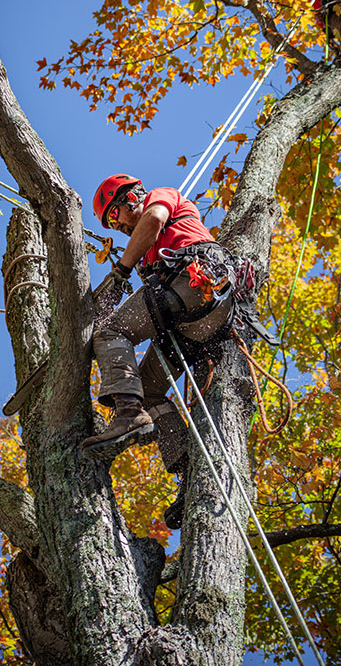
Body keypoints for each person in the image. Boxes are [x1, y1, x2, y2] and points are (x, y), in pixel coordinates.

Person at [82, 174, 243, 528]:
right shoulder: (150, 251)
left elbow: (153, 220)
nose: (119, 226)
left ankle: (126, 412)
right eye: (112, 223)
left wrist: (122, 271)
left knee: (110, 330)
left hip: (192, 280)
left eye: (116, 217)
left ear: (129, 198)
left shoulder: (161, 196)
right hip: (194, 321)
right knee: (150, 390)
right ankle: (186, 468)